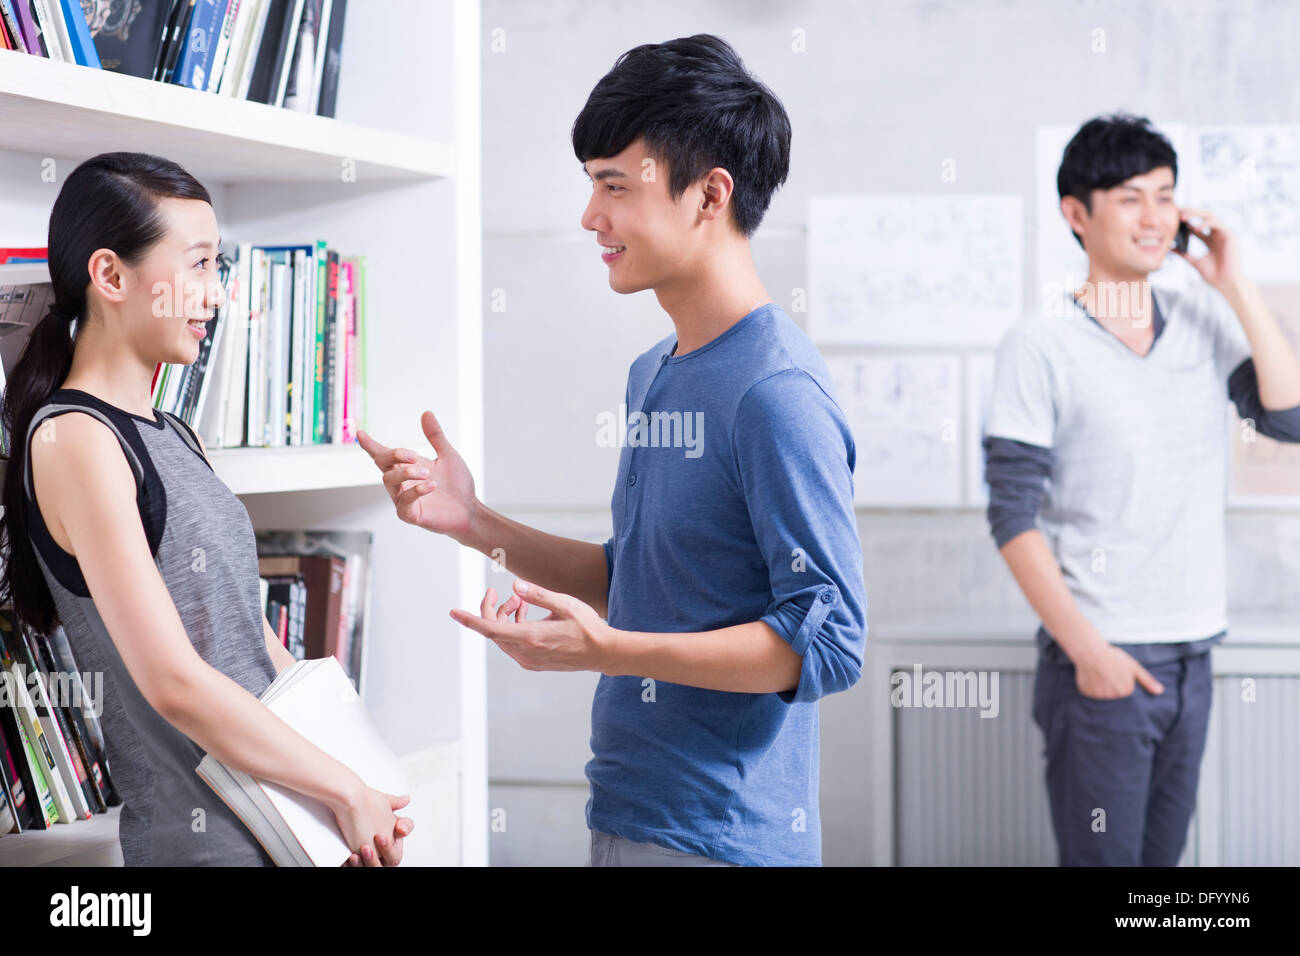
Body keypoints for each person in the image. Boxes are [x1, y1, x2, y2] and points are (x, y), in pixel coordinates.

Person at [358, 34, 867, 867]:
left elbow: (829, 642)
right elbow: (642, 577)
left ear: (710, 196)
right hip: (631, 813)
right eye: (590, 185)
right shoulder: (654, 372)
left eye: (614, 186)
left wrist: (611, 650)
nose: (590, 217)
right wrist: (472, 522)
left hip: (724, 841)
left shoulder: (776, 394)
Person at [0, 152, 413, 866]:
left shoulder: (172, 434)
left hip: (285, 829)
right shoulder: (76, 439)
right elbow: (175, 682)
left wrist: (346, 788)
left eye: (215, 267)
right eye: (197, 265)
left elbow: (248, 636)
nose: (215, 295)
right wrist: (343, 789)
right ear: (110, 276)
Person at [983, 114, 1300, 866]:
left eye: (1166, 196)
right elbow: (1011, 514)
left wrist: (1236, 285)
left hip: (1195, 655)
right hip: (1102, 660)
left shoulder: (1199, 321)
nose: (1155, 217)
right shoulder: (1040, 344)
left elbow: (1290, 420)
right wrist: (1090, 653)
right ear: (1076, 214)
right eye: (1130, 198)